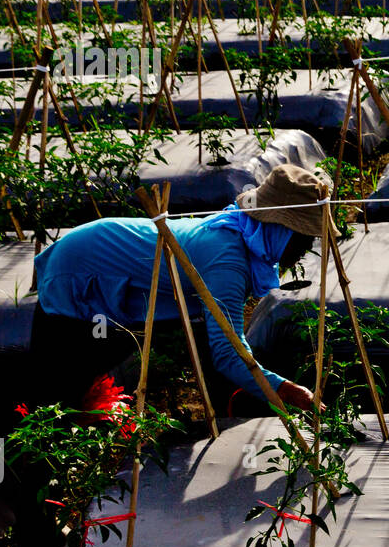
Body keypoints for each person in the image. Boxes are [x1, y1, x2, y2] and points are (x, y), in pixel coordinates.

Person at [31, 164, 330, 413]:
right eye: (302, 238)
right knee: (60, 396)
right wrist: (287, 390)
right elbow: (227, 352)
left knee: (198, 339)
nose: (305, 249)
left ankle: (220, 411)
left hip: (99, 257)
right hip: (81, 271)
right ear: (277, 226)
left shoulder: (240, 230)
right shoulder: (228, 260)